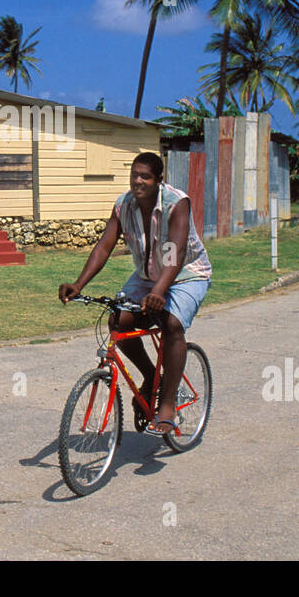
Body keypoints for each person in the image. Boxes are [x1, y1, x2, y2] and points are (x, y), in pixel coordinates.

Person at [59, 151, 210, 436]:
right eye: (134, 175)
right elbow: (105, 245)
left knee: (172, 323)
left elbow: (174, 252)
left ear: (158, 180)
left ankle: (167, 405)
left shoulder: (176, 204)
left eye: (145, 176)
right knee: (118, 321)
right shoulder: (123, 205)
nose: (137, 181)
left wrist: (159, 292)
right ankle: (151, 374)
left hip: (188, 273)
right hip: (147, 276)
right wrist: (79, 285)